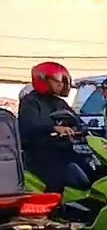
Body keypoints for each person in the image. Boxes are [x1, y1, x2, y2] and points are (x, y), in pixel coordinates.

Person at [17, 62, 81, 194]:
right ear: (43, 80)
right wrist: (54, 128)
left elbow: (75, 120)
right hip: (40, 152)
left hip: (63, 149)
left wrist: (80, 128)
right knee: (57, 177)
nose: (61, 84)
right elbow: (30, 125)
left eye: (64, 81)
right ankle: (57, 208)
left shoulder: (60, 103)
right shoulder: (31, 101)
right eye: (57, 80)